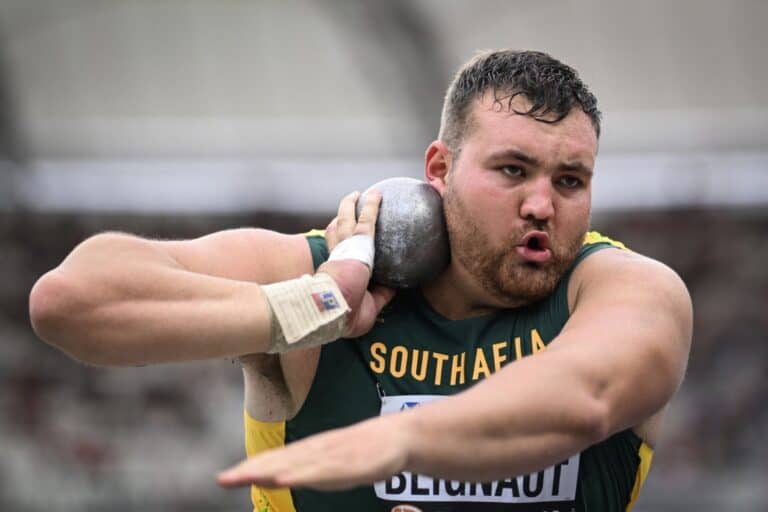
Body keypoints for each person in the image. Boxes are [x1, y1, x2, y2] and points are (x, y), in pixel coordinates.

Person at [29, 50, 692, 512]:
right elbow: (72, 300)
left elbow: (585, 398)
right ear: (440, 169)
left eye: (570, 181)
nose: (542, 205)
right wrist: (314, 306)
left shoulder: (626, 291)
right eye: (513, 171)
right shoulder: (322, 272)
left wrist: (400, 443)